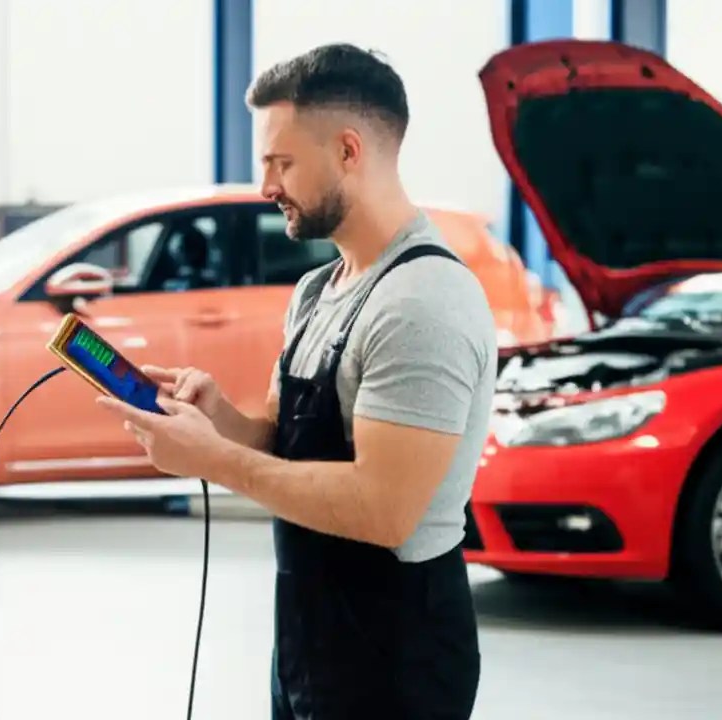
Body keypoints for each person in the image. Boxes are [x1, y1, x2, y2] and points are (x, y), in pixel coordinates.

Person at [96, 43, 497, 719]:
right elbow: (286, 444)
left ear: (347, 151)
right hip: (311, 634)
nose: (266, 186)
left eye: (281, 163)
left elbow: (383, 508)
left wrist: (212, 460)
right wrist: (220, 417)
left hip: (399, 655)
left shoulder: (424, 301)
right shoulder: (317, 290)